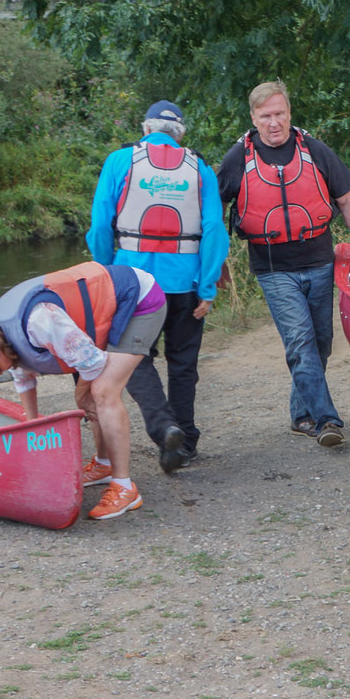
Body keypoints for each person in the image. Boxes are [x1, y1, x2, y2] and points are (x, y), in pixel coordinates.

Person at [215, 80, 350, 448]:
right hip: (273, 268)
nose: (273, 123)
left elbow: (348, 200)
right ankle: (327, 421)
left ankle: (301, 415)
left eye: (279, 114)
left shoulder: (315, 150)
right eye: (265, 116)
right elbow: (214, 212)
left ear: (289, 113)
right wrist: (216, 262)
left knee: (320, 343)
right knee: (300, 341)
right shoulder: (236, 160)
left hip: (320, 262)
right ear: (253, 118)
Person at [0, 261, 167, 520]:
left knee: (101, 392)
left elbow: (93, 362)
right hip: (107, 307)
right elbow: (22, 376)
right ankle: (103, 466)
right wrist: (31, 425)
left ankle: (124, 488)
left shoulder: (40, 321)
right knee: (91, 392)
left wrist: (80, 396)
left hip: (137, 300)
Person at [86, 99, 227, 475]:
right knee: (183, 363)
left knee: (133, 357)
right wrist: (208, 285)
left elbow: (101, 226)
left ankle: (164, 427)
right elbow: (214, 229)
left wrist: (105, 271)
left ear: (146, 129)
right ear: (180, 133)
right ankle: (187, 442)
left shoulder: (119, 162)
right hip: (186, 283)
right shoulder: (200, 169)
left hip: (134, 284)